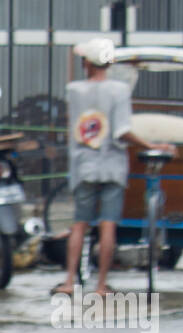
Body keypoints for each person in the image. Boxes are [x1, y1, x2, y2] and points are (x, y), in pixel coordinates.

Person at [53, 36, 175, 298]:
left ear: (87, 62)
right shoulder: (119, 91)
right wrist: (151, 144)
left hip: (83, 165)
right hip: (111, 165)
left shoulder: (74, 90)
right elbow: (122, 132)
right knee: (108, 226)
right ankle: (100, 286)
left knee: (80, 224)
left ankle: (70, 281)